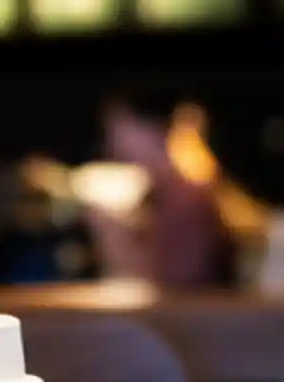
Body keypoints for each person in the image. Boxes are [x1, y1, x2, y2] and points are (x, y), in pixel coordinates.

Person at [86, 96, 228, 289]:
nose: (114, 145)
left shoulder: (186, 197)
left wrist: (111, 233)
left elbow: (172, 286)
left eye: (118, 130)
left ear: (151, 129)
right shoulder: (158, 191)